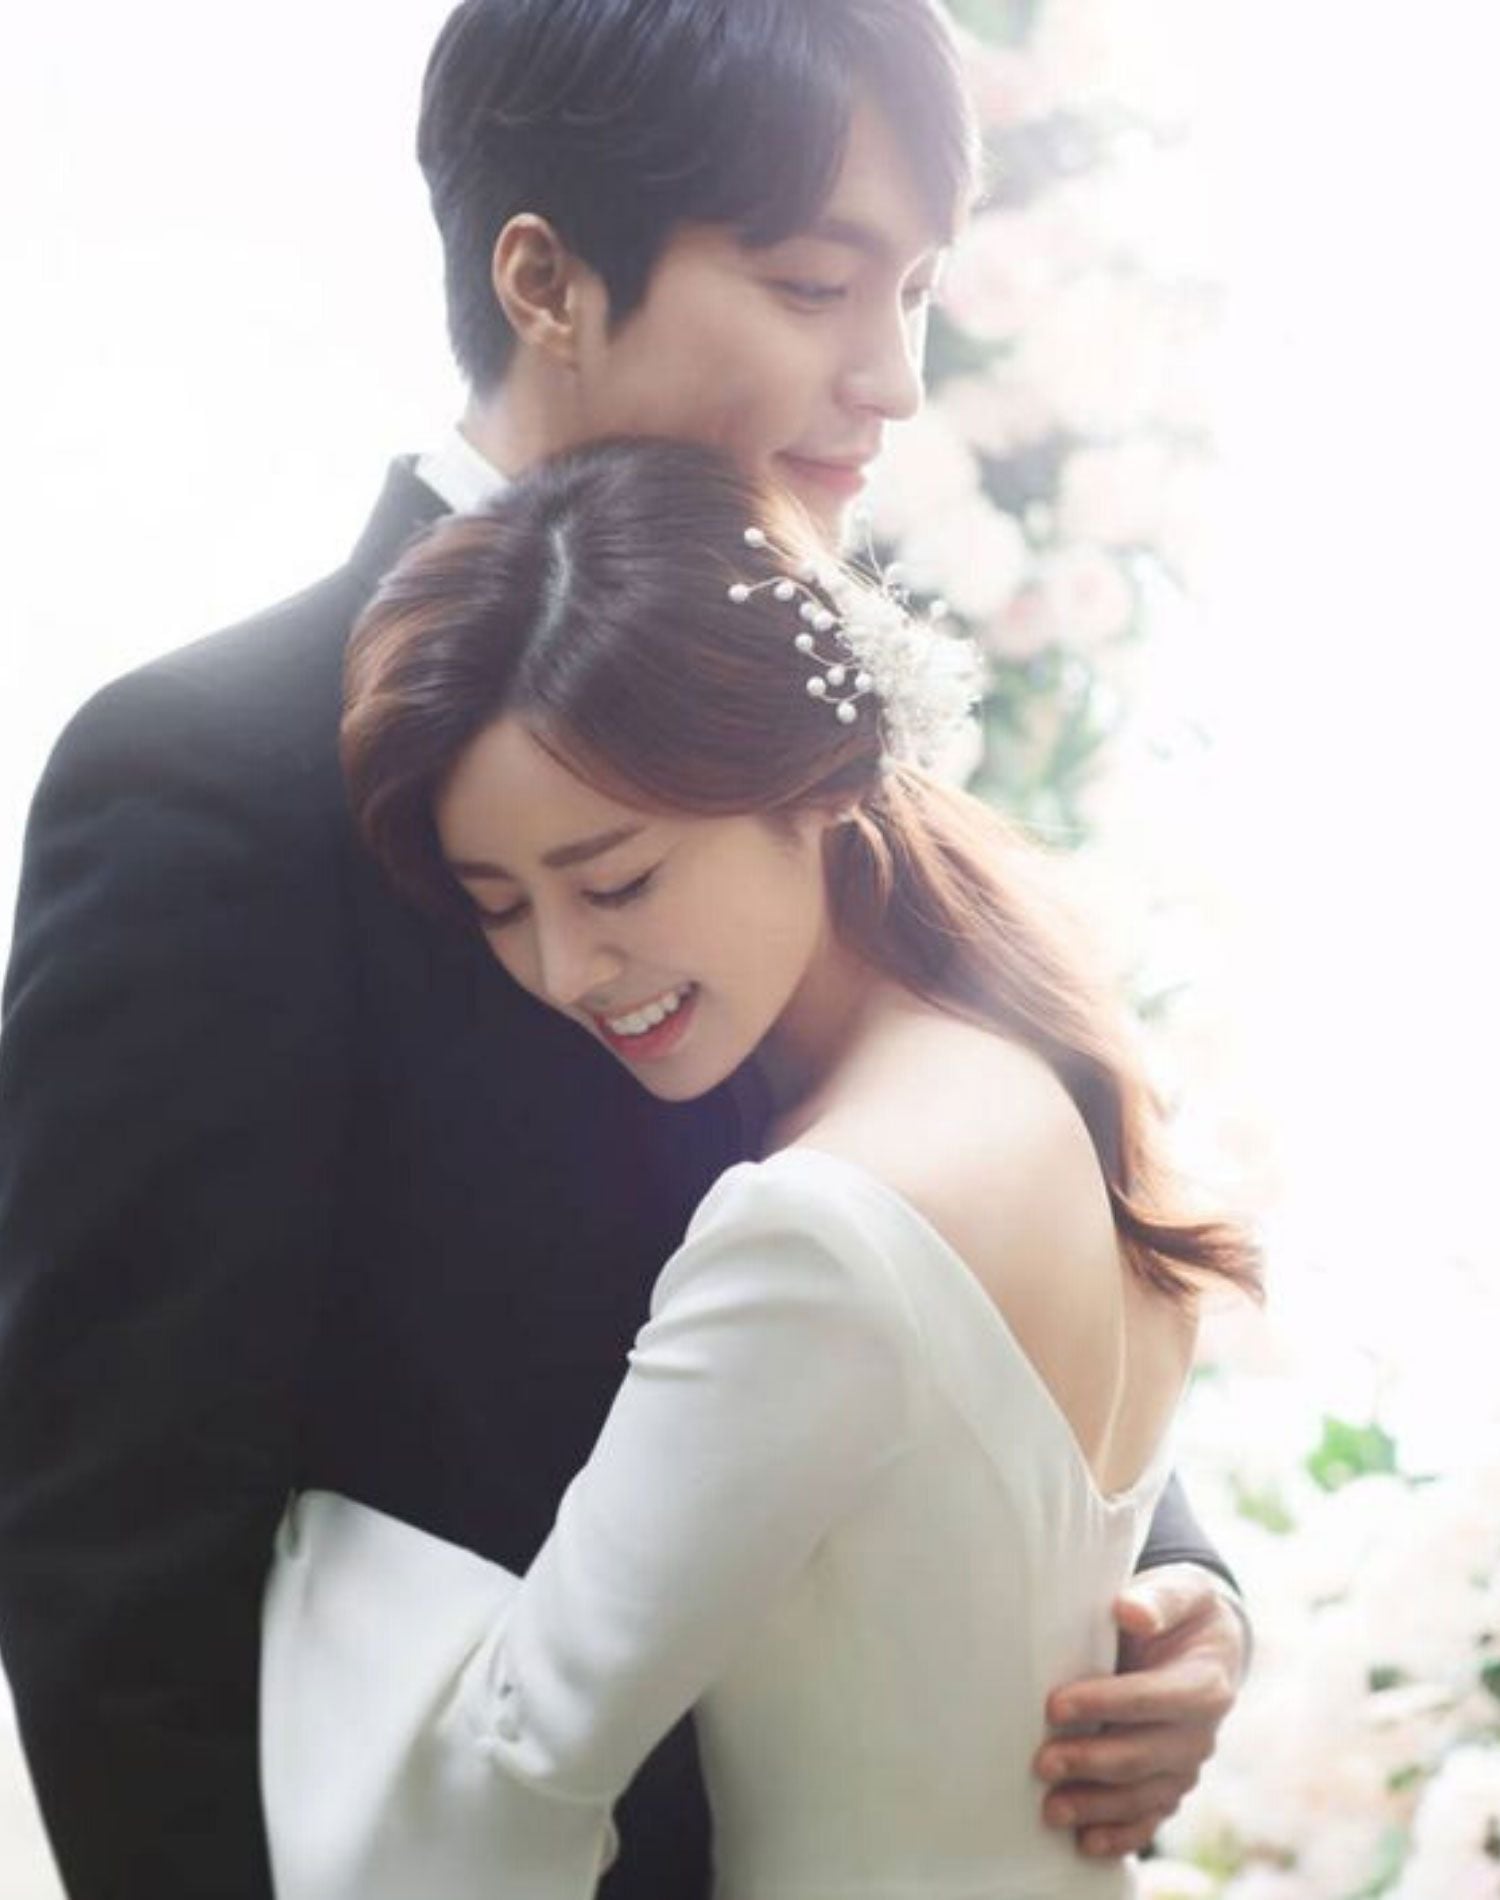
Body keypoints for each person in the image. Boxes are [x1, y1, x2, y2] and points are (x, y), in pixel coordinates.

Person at [0, 4, 1248, 1897]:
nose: (895, 381)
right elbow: (112, 1557)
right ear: (546, 281)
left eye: (917, 290)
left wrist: (1169, 1581)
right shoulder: (215, 781)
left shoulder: (783, 698)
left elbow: (926, 1232)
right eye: (817, 285)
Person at [260, 435, 1259, 1899]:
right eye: (500, 908)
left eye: (617, 881)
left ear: (819, 779)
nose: (567, 968)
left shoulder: (817, 1229)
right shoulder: (1045, 1054)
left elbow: (520, 1752)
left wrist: (326, 1562)